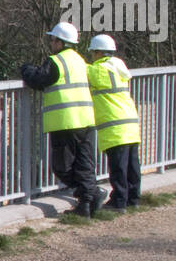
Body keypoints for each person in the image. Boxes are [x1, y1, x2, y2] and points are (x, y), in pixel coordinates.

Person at [20, 23, 104, 217]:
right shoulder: (80, 60)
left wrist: (25, 69)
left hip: (65, 121)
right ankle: (86, 205)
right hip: (86, 119)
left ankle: (91, 194)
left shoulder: (56, 61)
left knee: (62, 167)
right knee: (84, 165)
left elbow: (39, 80)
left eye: (53, 39)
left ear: (60, 42)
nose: (51, 43)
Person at [86, 34, 142, 211]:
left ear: (98, 53)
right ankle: (133, 199)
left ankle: (119, 201)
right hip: (130, 123)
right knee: (132, 166)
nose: (91, 56)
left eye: (93, 53)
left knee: (118, 167)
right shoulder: (119, 68)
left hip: (114, 125)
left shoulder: (100, 69)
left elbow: (81, 71)